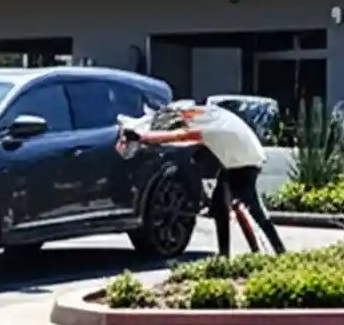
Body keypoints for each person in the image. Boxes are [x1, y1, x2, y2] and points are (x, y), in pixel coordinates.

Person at [119, 103, 287, 257]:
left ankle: (272, 252)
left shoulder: (209, 129)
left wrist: (143, 137)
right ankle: (260, 252)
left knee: (246, 208)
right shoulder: (214, 117)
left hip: (242, 165)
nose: (185, 120)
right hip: (245, 160)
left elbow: (179, 137)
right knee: (225, 206)